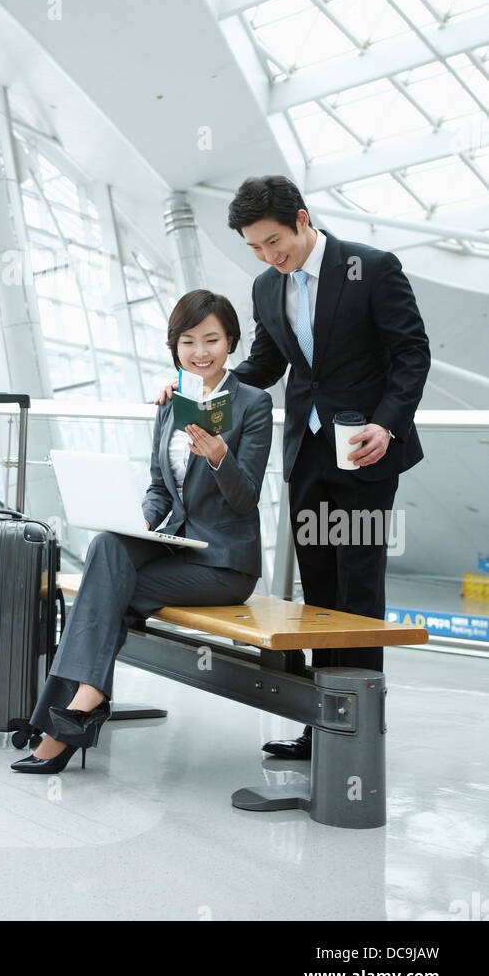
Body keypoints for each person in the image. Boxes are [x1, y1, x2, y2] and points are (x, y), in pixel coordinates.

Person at [157, 176, 431, 761]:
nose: (268, 256)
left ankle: (358, 727)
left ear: (303, 220)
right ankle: (321, 721)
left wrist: (388, 425)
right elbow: (263, 365)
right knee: (320, 594)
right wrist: (196, 389)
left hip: (364, 453)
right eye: (255, 247)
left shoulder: (371, 267)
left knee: (358, 590)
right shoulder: (265, 287)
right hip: (306, 457)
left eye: (274, 241)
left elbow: (412, 352)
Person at [11, 289, 273, 775]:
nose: (200, 352)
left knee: (105, 590)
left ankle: (68, 715)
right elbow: (160, 487)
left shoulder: (252, 404)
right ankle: (82, 703)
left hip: (223, 565)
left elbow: (246, 498)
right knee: (109, 545)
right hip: (175, 547)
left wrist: (218, 455)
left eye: (212, 340)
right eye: (189, 341)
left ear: (231, 342)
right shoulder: (171, 404)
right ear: (175, 346)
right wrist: (141, 521)